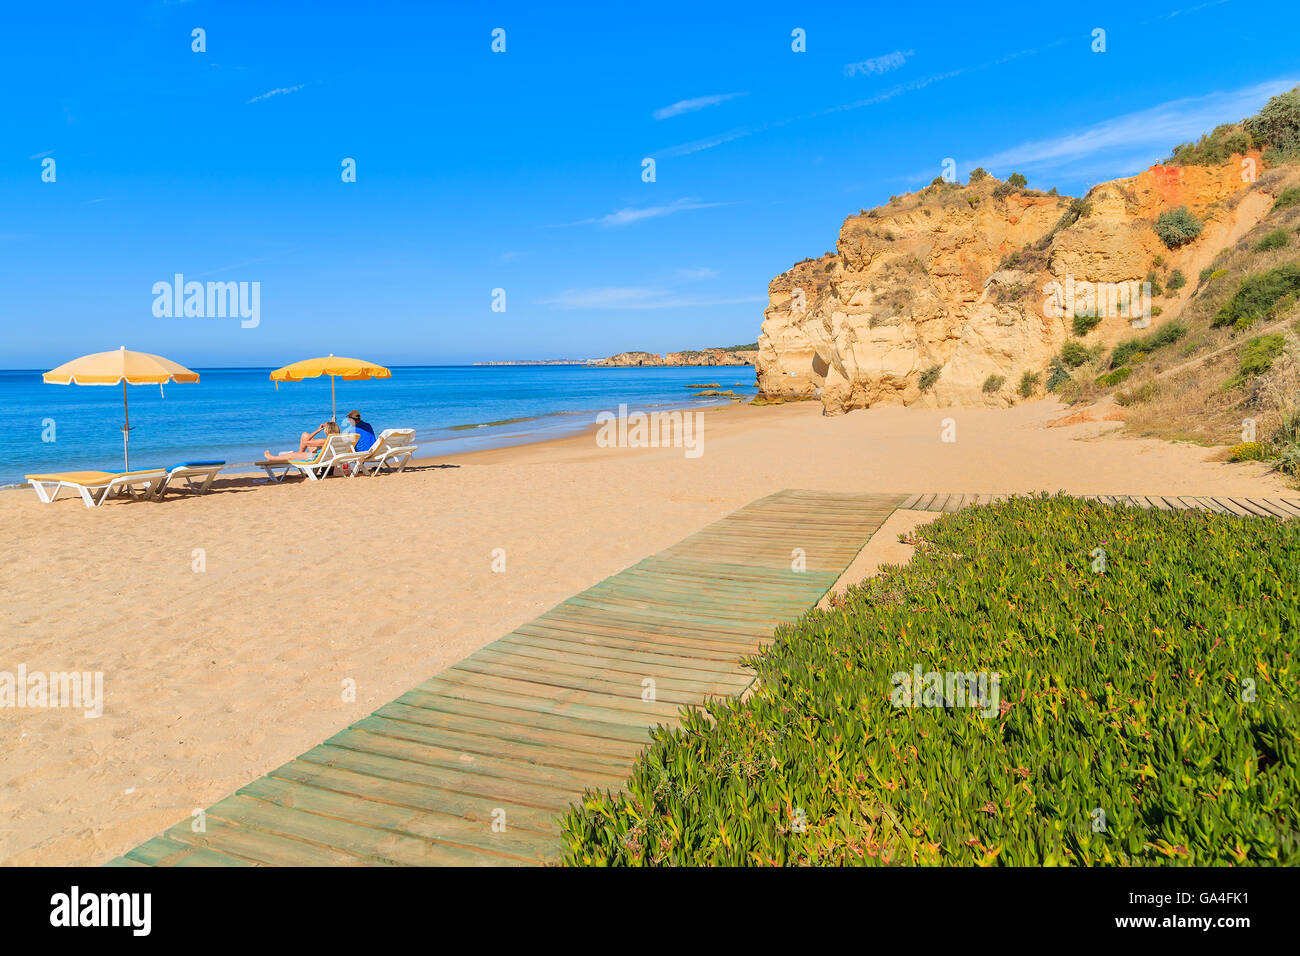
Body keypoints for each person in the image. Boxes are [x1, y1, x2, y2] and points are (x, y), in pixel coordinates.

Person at [265, 421, 339, 461]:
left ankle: (271, 458)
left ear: (327, 430)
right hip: (327, 457)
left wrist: (317, 431)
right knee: (305, 435)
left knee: (291, 455)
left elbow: (305, 442)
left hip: (316, 457)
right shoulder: (338, 438)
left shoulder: (324, 441)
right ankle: (299, 454)